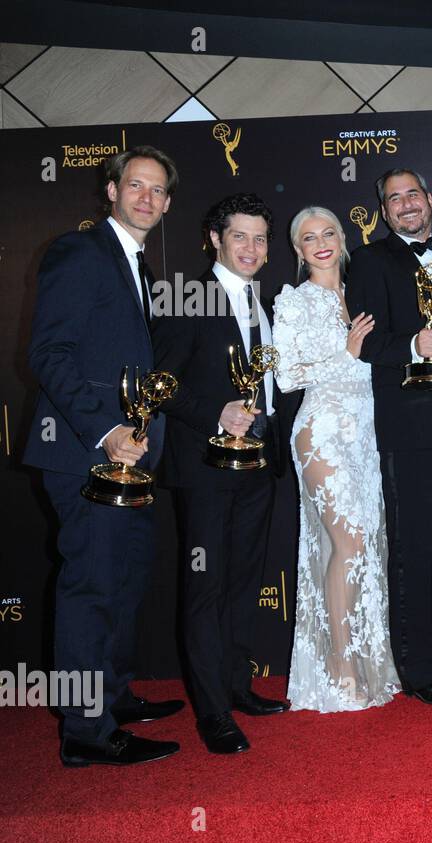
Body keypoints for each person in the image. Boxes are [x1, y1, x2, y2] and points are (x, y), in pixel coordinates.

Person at [25, 145, 184, 766]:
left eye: (157, 190)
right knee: (91, 588)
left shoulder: (139, 266)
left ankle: (112, 698)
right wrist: (104, 432)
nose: (146, 198)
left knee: (121, 580)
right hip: (86, 453)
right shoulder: (80, 251)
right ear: (111, 190)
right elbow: (49, 355)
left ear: (168, 203)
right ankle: (86, 732)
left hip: (132, 457)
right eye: (135, 186)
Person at [152, 193, 295, 754]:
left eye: (260, 239)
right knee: (207, 592)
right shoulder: (188, 298)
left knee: (242, 584)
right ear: (215, 238)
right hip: (206, 469)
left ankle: (237, 687)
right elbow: (160, 381)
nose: (251, 249)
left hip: (258, 464)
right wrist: (215, 412)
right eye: (240, 237)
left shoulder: (261, 302)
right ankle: (211, 712)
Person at [346, 169, 432, 707]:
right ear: (384, 212)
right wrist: (411, 343)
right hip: (408, 429)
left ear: (431, 199)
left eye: (412, 195)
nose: (405, 205)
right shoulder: (370, 261)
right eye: (393, 199)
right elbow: (361, 342)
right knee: (414, 549)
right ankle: (419, 667)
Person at [272, 206, 400, 711]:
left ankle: (368, 661)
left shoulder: (362, 292)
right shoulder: (295, 302)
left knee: (363, 546)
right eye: (309, 237)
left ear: (342, 239)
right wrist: (346, 352)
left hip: (365, 436)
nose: (320, 243)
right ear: (298, 249)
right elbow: (286, 377)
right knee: (346, 543)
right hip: (321, 431)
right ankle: (340, 669)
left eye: (328, 233)